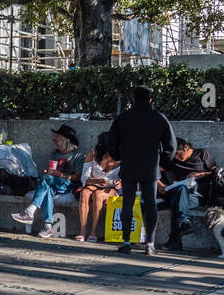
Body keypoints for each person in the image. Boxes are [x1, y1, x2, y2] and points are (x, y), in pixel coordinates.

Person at [105, 85, 177, 255]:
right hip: (150, 166)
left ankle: (126, 242)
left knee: (128, 203)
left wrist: (118, 156)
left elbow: (111, 141)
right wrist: (163, 161)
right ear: (151, 99)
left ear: (133, 99)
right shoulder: (159, 118)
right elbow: (171, 145)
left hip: (129, 164)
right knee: (150, 204)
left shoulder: (123, 118)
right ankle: (150, 244)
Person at [11, 124, 83, 238]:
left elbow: (77, 177)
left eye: (57, 137)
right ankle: (48, 227)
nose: (54, 140)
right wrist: (50, 173)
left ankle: (31, 210)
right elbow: (51, 173)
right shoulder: (55, 154)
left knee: (45, 179)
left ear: (66, 140)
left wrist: (59, 174)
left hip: (68, 184)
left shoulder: (78, 156)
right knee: (47, 189)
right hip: (53, 182)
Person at [159, 137, 216, 251]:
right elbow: (153, 170)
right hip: (181, 192)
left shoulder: (202, 154)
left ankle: (175, 240)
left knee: (178, 203)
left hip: (199, 195)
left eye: (178, 153)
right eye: (174, 155)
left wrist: (200, 174)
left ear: (186, 147)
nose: (176, 157)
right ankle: (184, 222)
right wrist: (160, 185)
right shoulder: (173, 160)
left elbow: (216, 171)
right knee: (180, 194)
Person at [76, 137, 120, 241]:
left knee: (98, 195)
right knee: (84, 193)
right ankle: (82, 231)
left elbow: (128, 176)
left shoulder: (121, 156)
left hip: (112, 188)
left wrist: (121, 182)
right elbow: (84, 178)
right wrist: (97, 181)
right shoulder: (92, 154)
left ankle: (93, 231)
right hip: (95, 184)